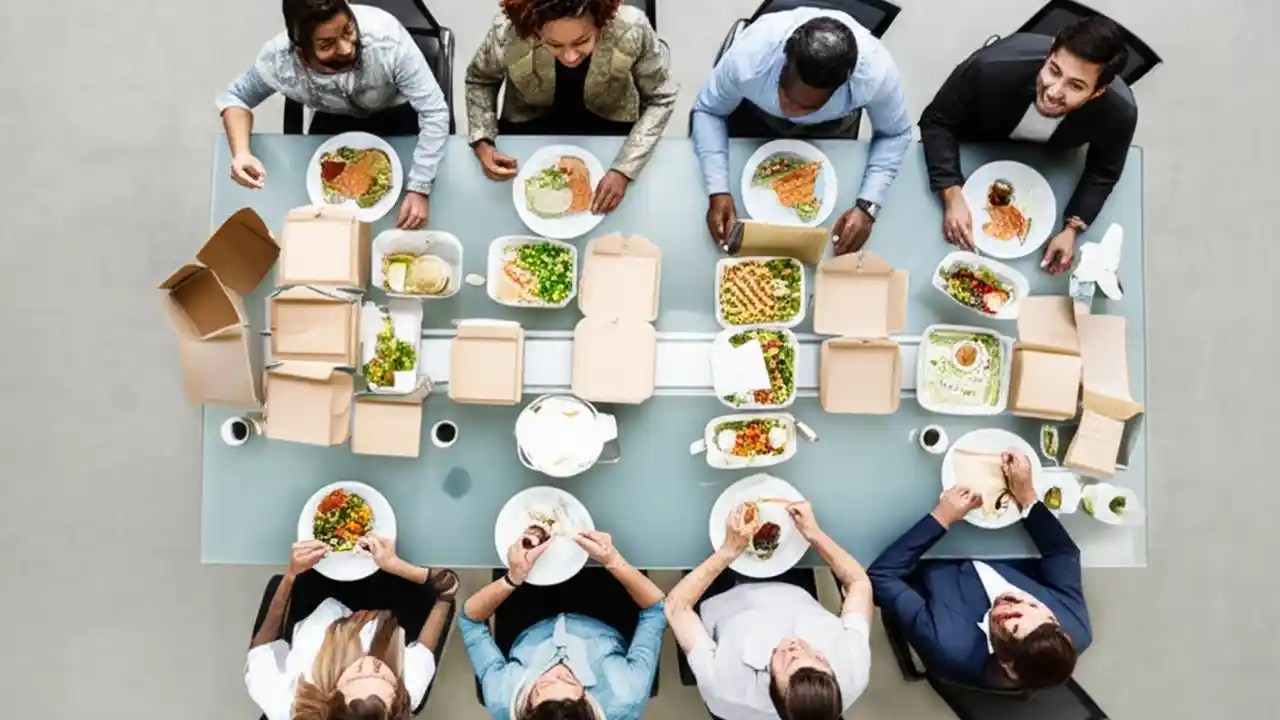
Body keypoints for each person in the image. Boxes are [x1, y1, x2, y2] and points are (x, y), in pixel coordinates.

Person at [920, 16, 1136, 274]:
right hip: (978, 144)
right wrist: (951, 192)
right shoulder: (989, 68)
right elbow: (937, 122)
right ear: (1050, 52)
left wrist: (1072, 229)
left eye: (1075, 85)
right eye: (1054, 70)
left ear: (1098, 92)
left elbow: (1104, 170)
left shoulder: (1120, 112)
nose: (1054, 91)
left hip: (1052, 162)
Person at [691, 8, 911, 254]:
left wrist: (868, 205)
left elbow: (895, 133)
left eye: (806, 106)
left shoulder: (876, 74)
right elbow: (708, 110)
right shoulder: (750, 55)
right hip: (755, 114)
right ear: (784, 59)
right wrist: (718, 188)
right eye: (787, 94)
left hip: (828, 130)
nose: (790, 110)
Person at [217, 0, 450, 230]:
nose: (346, 48)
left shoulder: (387, 40)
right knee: (322, 223)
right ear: (301, 52)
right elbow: (236, 97)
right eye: (327, 44)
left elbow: (434, 111)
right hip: (333, 119)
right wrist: (241, 153)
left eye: (348, 31)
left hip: (398, 112)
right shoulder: (280, 60)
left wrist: (419, 187)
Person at [867, 452, 1091, 689]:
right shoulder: (1075, 627)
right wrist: (1027, 498)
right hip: (998, 541)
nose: (1015, 602)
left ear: (1006, 665)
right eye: (1034, 607)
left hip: (932, 555)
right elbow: (1063, 554)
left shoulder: (947, 643)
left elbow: (881, 576)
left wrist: (942, 517)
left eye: (1010, 621)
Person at [465, 0, 679, 214]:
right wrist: (483, 140)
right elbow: (480, 80)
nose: (570, 56)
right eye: (554, 44)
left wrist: (624, 169)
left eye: (582, 41)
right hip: (528, 125)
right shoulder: (507, 32)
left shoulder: (631, 28)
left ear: (601, 21)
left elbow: (661, 96)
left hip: (611, 128)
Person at [666, 501, 873, 720]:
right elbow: (859, 583)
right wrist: (814, 534)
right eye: (819, 659)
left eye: (789, 660)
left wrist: (727, 552)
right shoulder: (854, 670)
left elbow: (676, 607)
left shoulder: (725, 688)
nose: (797, 646)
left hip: (722, 595)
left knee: (692, 521)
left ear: (771, 686)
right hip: (791, 587)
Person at [246, 534, 458, 720]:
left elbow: (262, 647)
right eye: (382, 674)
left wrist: (291, 575)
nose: (367, 662)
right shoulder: (407, 691)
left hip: (317, 593)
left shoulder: (283, 703)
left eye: (355, 674)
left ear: (330, 698)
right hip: (388, 591)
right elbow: (448, 590)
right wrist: (398, 566)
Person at [461, 529, 666, 720]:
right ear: (587, 702)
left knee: (522, 530)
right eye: (570, 681)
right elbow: (656, 610)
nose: (558, 670)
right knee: (614, 527)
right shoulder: (625, 694)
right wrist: (612, 560)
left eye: (542, 684)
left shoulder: (501, 696)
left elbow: (471, 621)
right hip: (605, 611)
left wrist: (512, 579)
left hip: (531, 616)